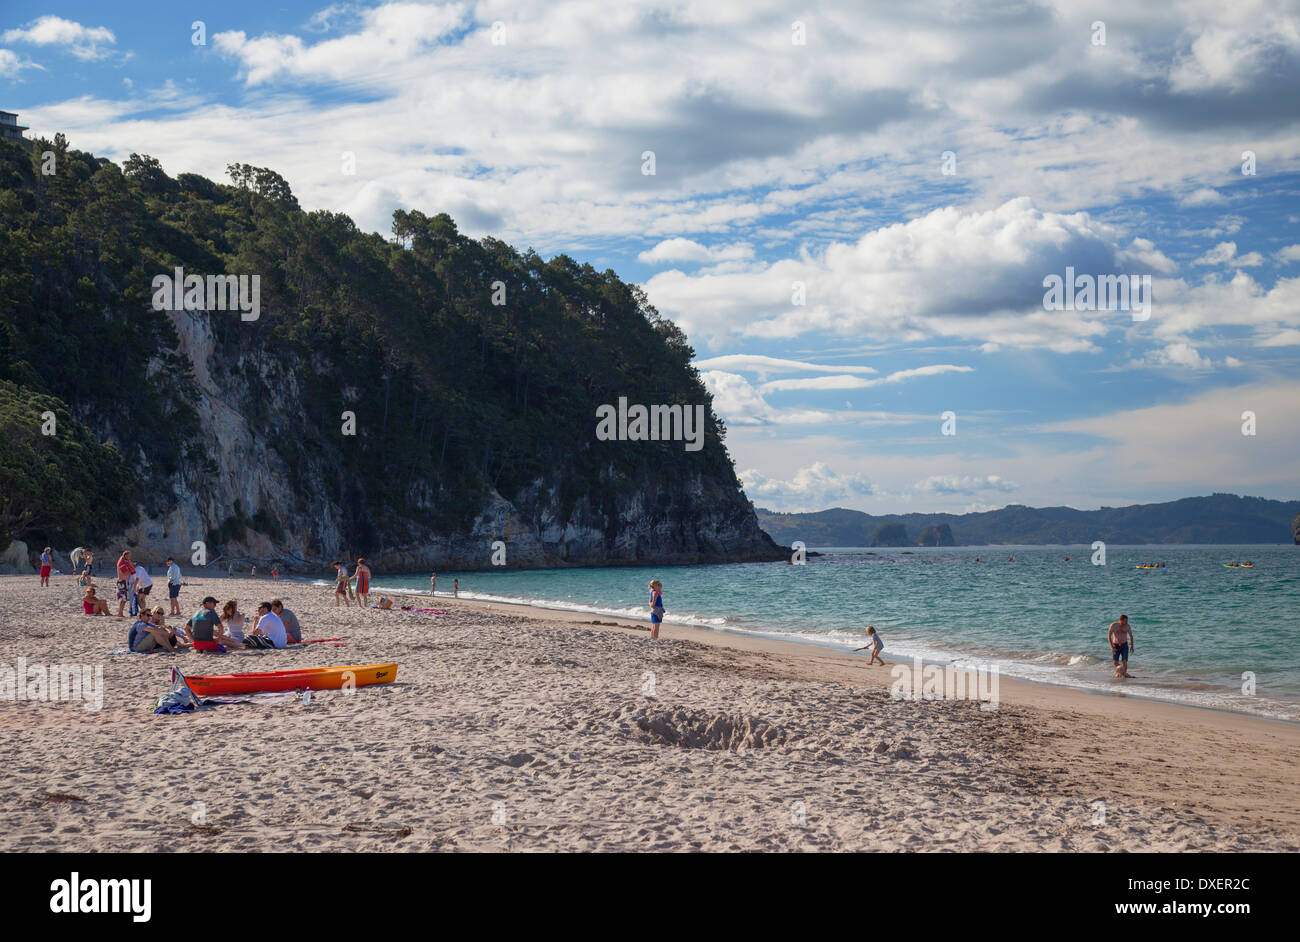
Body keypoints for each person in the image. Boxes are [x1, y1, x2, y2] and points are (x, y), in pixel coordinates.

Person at [1108, 614, 1135, 679]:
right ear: (1121, 620)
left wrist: (1132, 646)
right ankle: (1122, 673)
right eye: (1125, 621)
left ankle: (1124, 675)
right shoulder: (1113, 625)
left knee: (1124, 661)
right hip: (1116, 645)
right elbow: (1109, 636)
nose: (1126, 622)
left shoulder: (1127, 626)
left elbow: (1131, 636)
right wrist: (1112, 647)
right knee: (1115, 662)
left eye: (1127, 621)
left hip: (1124, 645)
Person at [115, 550, 135, 618]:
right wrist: (130, 569)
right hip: (122, 582)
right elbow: (125, 572)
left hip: (124, 582)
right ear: (125, 555)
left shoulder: (125, 562)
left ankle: (120, 613)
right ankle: (120, 613)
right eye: (129, 555)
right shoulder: (122, 563)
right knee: (123, 599)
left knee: (124, 599)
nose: (130, 557)